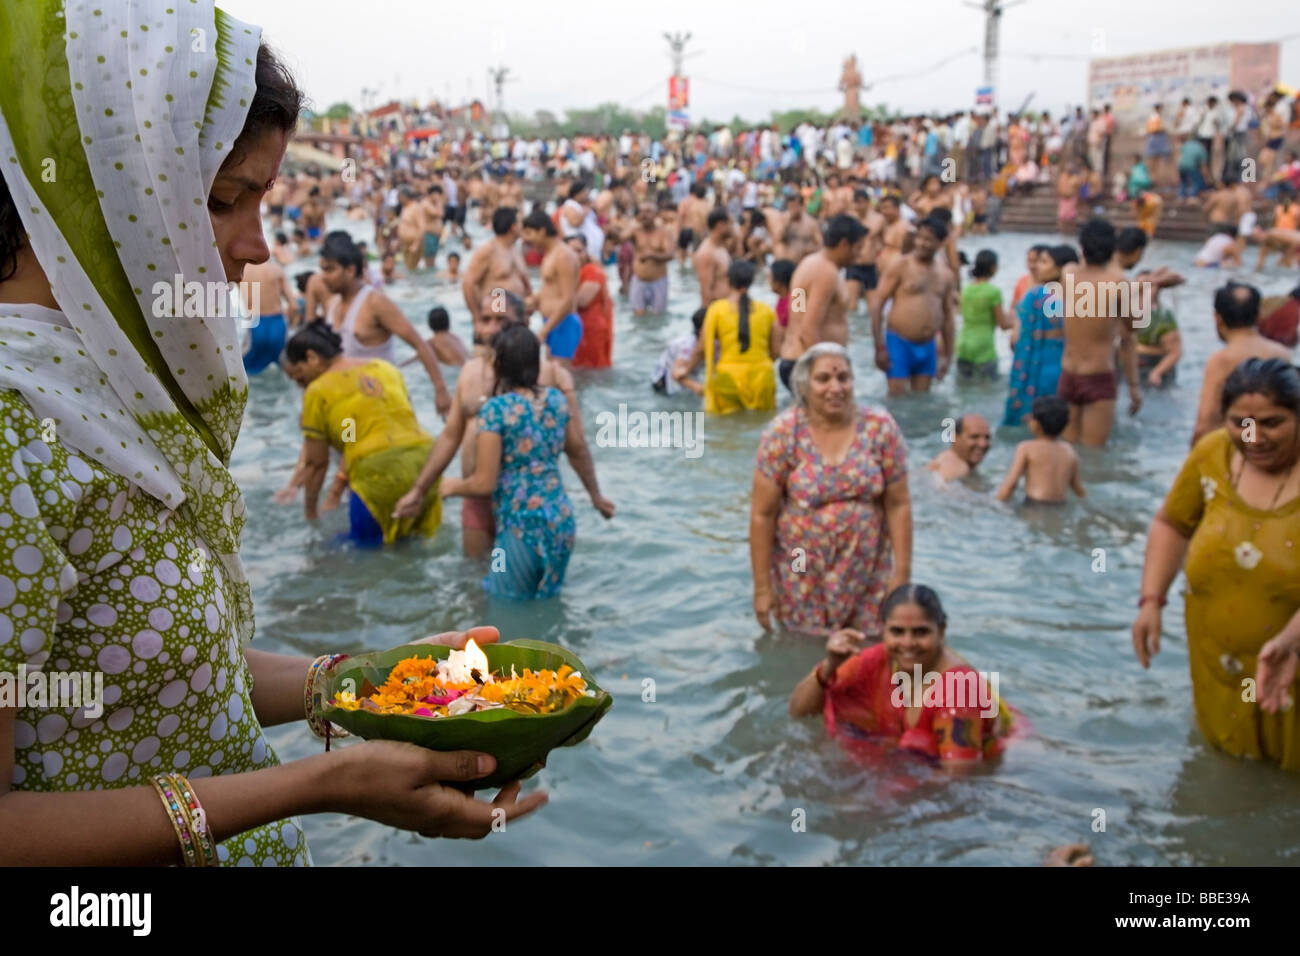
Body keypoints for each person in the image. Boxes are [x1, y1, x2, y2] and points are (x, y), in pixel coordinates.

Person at [0, 3, 542, 866]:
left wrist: (368, 680)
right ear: (96, 189)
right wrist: (320, 785)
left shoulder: (113, 384)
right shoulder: (13, 427)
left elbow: (166, 675)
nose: (256, 246)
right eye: (221, 201)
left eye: (263, 199)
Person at [1133, 358, 1300, 771]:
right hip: (1218, 671)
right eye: (1239, 422)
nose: (1253, 437)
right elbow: (1172, 523)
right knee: (1221, 775)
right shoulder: (1213, 455)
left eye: (1272, 423)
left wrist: (1291, 641)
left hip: (1290, 667)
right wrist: (1152, 599)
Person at [392, 290, 613, 556]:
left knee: (517, 586)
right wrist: (419, 489)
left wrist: (595, 495)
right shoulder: (470, 372)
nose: (493, 329)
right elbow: (450, 437)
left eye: (502, 321)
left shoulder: (551, 376)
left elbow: (576, 446)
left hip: (526, 507)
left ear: (524, 325)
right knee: (475, 583)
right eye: (486, 319)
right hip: (476, 501)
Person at [750, 343, 912, 638]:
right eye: (823, 379)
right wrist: (762, 588)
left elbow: (899, 504)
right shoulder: (784, 433)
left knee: (868, 653)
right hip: (800, 572)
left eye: (843, 378)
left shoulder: (880, 427)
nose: (835, 387)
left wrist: (901, 574)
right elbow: (763, 514)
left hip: (868, 572)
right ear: (804, 385)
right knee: (806, 654)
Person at [788, 585, 1019, 766]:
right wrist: (829, 666)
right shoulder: (874, 661)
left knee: (917, 746)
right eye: (897, 632)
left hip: (1010, 754)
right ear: (883, 630)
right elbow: (798, 712)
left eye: (921, 632)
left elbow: (959, 781)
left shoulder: (960, 691)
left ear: (942, 631)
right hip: (908, 762)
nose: (907, 644)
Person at [438, 325, 581, 600]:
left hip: (519, 530)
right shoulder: (556, 400)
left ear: (499, 365)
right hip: (561, 523)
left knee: (504, 610)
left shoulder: (495, 410)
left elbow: (484, 483)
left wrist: (451, 487)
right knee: (546, 606)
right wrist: (597, 497)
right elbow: (577, 450)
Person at [282, 322, 442, 545]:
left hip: (376, 474)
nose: (302, 385)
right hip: (426, 463)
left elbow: (316, 464)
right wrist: (337, 490)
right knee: (413, 543)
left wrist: (311, 515)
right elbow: (372, 432)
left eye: (300, 377)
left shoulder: (317, 391)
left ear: (312, 358)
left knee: (359, 553)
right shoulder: (384, 368)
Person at [319, 234, 452, 416]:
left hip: (385, 404)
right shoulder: (331, 305)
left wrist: (441, 391)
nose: (323, 277)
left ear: (350, 270)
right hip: (348, 406)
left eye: (330, 270)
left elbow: (419, 343)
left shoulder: (375, 303)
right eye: (322, 270)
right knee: (348, 442)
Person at [1057, 219, 1141, 447]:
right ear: (1113, 248)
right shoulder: (1119, 283)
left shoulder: (1068, 274)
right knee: (1093, 455)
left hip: (1068, 372)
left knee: (1068, 448)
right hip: (1098, 376)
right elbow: (1134, 326)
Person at [1191, 282, 1293, 445]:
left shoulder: (1221, 360)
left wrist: (1194, 461)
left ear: (1217, 319)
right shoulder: (1281, 353)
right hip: (1274, 447)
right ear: (1259, 315)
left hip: (1238, 447)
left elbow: (1205, 423)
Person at [779, 214, 867, 390]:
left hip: (794, 358)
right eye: (858, 247)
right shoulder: (826, 272)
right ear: (843, 244)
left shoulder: (808, 263)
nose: (860, 254)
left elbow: (796, 312)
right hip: (809, 365)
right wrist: (829, 371)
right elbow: (808, 330)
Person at [870, 217, 956, 395]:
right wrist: (879, 346)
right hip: (899, 342)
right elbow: (877, 304)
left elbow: (948, 318)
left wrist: (948, 356)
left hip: (928, 345)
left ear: (940, 243)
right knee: (897, 401)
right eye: (919, 238)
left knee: (920, 403)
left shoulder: (945, 274)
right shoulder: (900, 265)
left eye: (928, 240)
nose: (922, 243)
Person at [682, 260, 777, 414]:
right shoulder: (767, 311)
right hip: (762, 377)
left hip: (728, 377)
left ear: (728, 281)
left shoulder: (717, 309)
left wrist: (686, 371)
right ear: (751, 281)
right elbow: (775, 351)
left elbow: (701, 348)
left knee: (727, 433)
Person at [1003, 244, 1076, 427]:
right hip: (1068, 369)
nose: (1037, 267)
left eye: (1044, 262)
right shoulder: (1079, 297)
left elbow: (1016, 340)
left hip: (1037, 370)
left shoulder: (1035, 296)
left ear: (1060, 268)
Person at [521, 209, 582, 368]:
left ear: (542, 231)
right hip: (553, 322)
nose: (526, 239)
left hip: (563, 323)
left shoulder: (563, 256)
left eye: (529, 233)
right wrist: (533, 301)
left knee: (560, 375)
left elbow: (568, 299)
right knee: (551, 373)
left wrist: (544, 331)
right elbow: (551, 290)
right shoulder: (551, 254)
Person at [995, 396, 1084, 505]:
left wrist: (996, 502)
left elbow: (1012, 483)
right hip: (1060, 505)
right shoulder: (1070, 450)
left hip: (1034, 505)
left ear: (1036, 424)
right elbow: (1078, 489)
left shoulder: (1026, 447)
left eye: (1031, 417)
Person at [462, 206, 531, 323]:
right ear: (513, 227)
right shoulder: (488, 250)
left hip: (517, 319)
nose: (522, 227)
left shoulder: (516, 251)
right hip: (495, 320)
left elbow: (526, 286)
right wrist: (477, 318)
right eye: (520, 223)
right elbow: (468, 284)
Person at [956, 249, 1011, 381]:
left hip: (963, 345)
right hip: (984, 348)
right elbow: (1003, 324)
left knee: (964, 386)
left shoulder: (966, 289)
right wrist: (1018, 321)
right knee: (987, 388)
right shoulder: (993, 292)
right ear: (993, 267)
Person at [240, 256, 299, 375]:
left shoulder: (241, 272)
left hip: (255, 324)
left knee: (246, 372)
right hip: (277, 325)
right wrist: (291, 324)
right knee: (284, 371)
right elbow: (294, 306)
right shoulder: (276, 270)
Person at [569, 234, 614, 370]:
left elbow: (583, 301)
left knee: (590, 371)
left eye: (579, 251)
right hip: (575, 329)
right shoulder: (570, 272)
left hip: (591, 330)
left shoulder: (592, 270)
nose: (576, 255)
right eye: (572, 251)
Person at [627, 203, 673, 315]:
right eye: (642, 212)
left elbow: (670, 255)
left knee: (658, 317)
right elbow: (620, 239)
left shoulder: (663, 232)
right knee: (637, 316)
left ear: (655, 215)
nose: (644, 215)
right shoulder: (635, 231)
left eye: (648, 211)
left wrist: (651, 255)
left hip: (659, 281)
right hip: (638, 280)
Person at [652, 307, 705, 396]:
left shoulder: (703, 341)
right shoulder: (688, 345)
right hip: (663, 382)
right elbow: (676, 374)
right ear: (701, 330)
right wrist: (698, 388)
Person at [926, 414, 992, 482]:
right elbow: (945, 489)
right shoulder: (956, 466)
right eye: (974, 437)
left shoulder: (946, 459)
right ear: (955, 437)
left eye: (987, 437)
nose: (983, 444)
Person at [400, 306, 468, 369]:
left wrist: (399, 366)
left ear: (430, 325)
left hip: (455, 370)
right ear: (449, 323)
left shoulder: (431, 343)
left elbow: (413, 361)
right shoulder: (456, 338)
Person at [693, 206, 734, 308]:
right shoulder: (706, 253)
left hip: (726, 309)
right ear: (721, 225)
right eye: (731, 224)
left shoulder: (721, 247)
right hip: (717, 312)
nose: (733, 228)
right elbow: (706, 293)